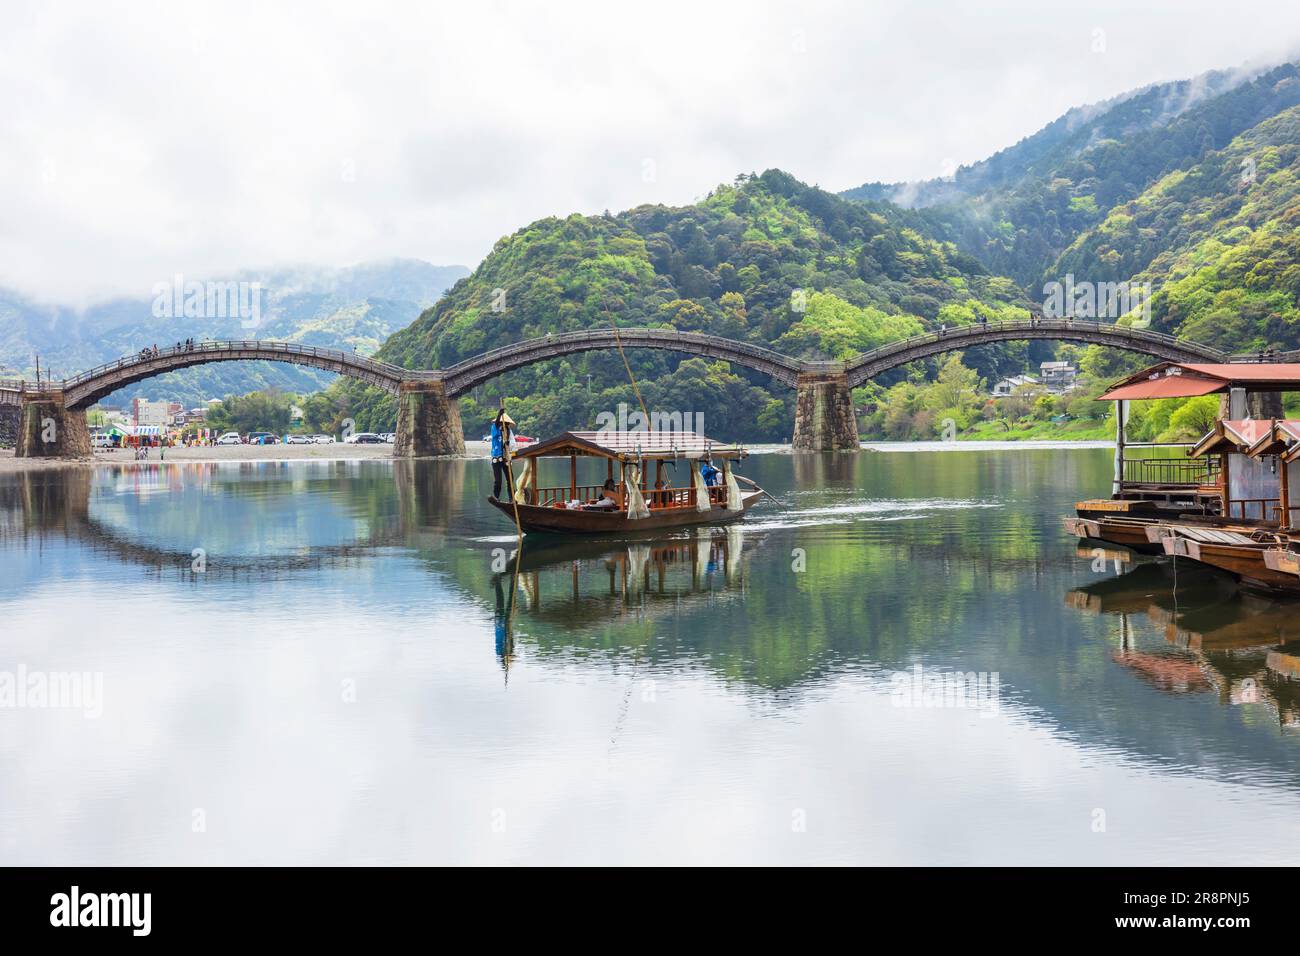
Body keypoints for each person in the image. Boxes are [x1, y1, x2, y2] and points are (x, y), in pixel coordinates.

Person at [490, 409, 516, 500]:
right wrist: (499, 414)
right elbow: (497, 424)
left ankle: (512, 498)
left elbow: (512, 444)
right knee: (498, 481)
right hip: (497, 458)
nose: (503, 425)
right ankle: (496, 496)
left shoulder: (508, 431)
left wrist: (508, 445)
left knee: (510, 480)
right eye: (501, 423)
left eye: (505, 423)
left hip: (506, 458)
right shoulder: (495, 427)